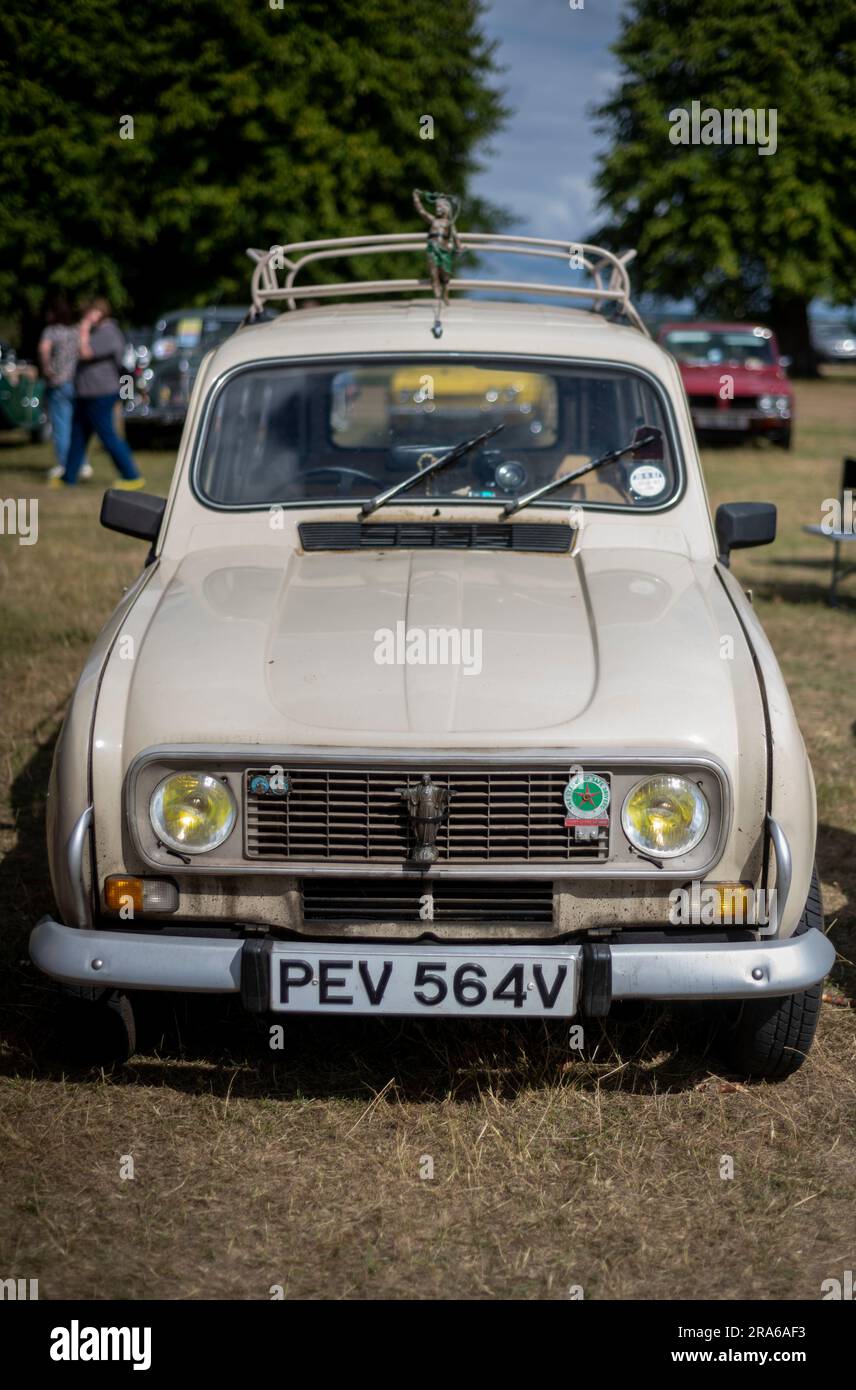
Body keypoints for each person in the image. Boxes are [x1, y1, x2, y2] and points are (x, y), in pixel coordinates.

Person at [54, 297, 144, 489]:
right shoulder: (100, 331)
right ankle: (69, 477)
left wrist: (84, 328)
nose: (85, 317)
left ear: (99, 313)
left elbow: (85, 352)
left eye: (89, 313)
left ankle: (132, 476)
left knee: (107, 435)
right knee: (78, 435)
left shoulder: (108, 332)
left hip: (100, 393)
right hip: (86, 393)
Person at [37, 295, 93, 481]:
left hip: (58, 383)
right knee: (74, 426)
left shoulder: (51, 331)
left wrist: (47, 368)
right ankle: (82, 463)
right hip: (76, 383)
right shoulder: (74, 331)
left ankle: (65, 464)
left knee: (61, 426)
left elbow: (44, 350)